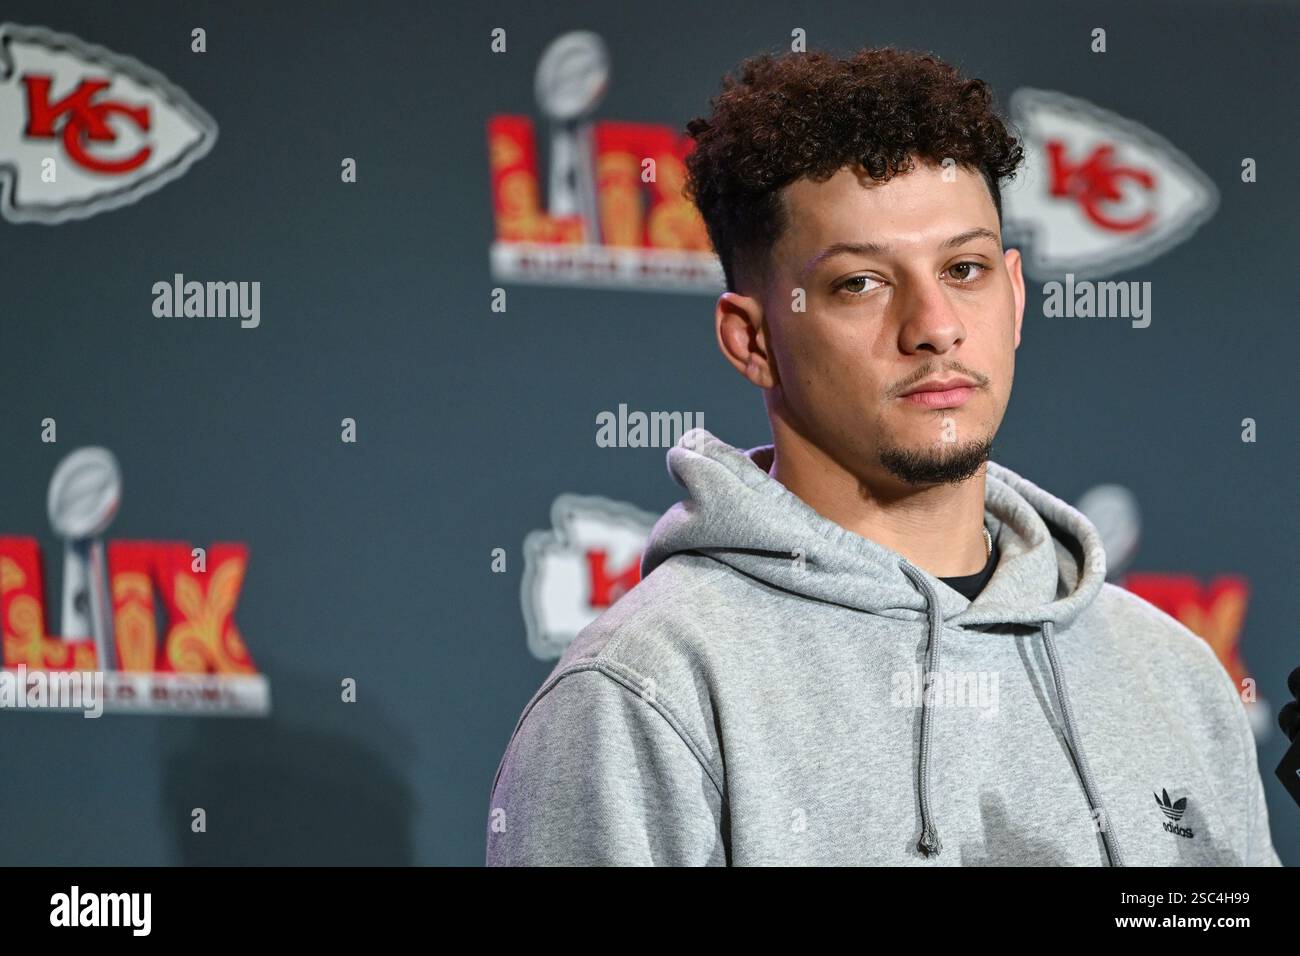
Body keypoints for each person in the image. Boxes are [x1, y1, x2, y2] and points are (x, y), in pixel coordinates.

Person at [486, 46, 1282, 866]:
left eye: (964, 269)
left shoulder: (1174, 677)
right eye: (860, 284)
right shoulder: (645, 694)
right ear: (752, 339)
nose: (934, 325)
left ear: (1014, 297)